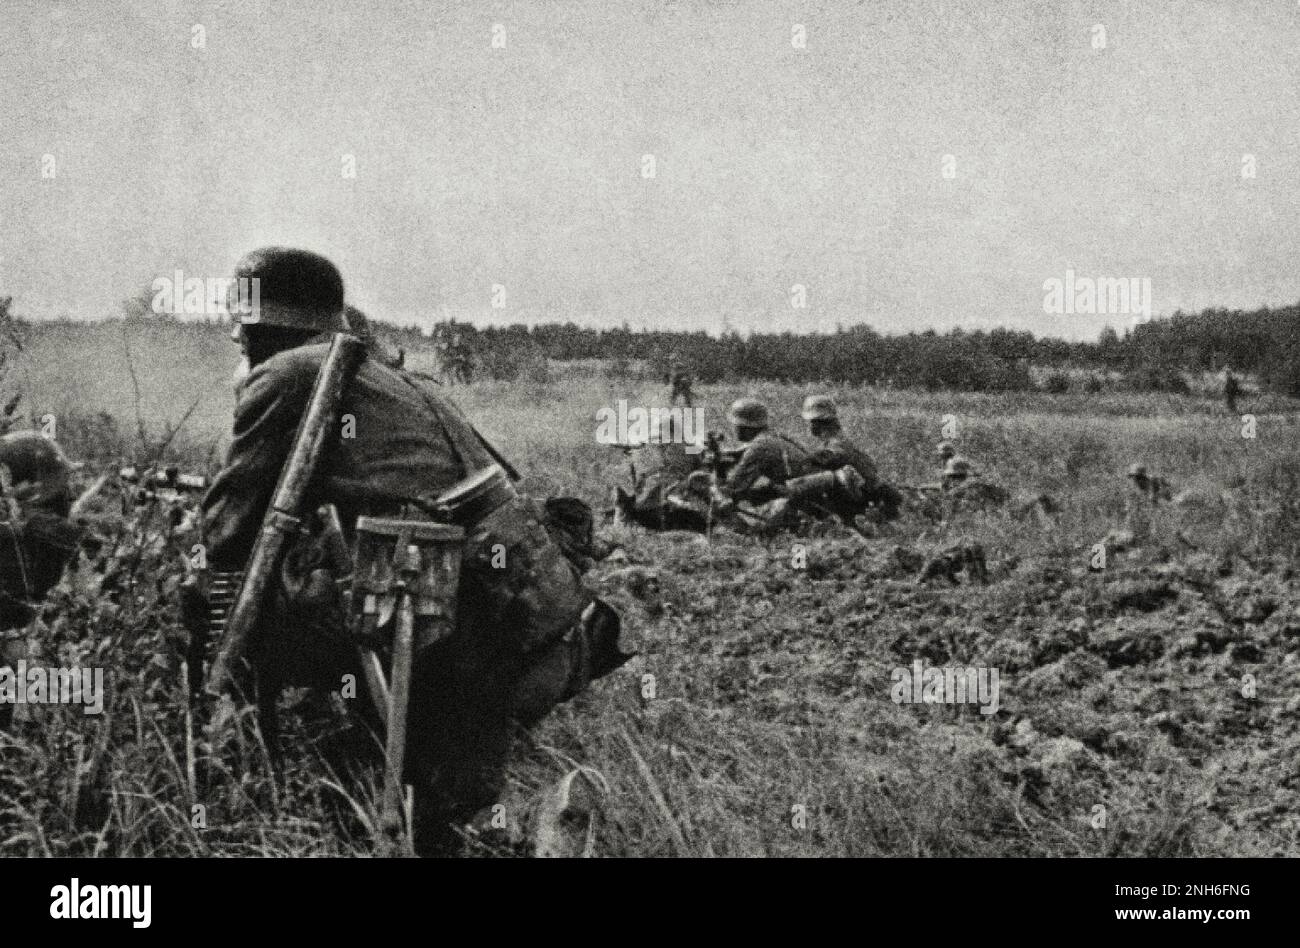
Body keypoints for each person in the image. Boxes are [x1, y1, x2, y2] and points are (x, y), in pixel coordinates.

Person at [198, 247, 628, 854]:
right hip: (537, 638)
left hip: (440, 644)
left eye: (241, 325)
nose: (235, 336)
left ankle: (240, 772)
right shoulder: (397, 377)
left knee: (222, 593)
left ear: (259, 326)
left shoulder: (287, 373)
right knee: (442, 809)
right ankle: (489, 809)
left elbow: (224, 531)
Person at [800, 394, 901, 522]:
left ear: (817, 424)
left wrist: (807, 459)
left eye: (812, 423)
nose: (810, 427)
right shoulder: (833, 439)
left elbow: (837, 455)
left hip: (866, 500)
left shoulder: (837, 441)